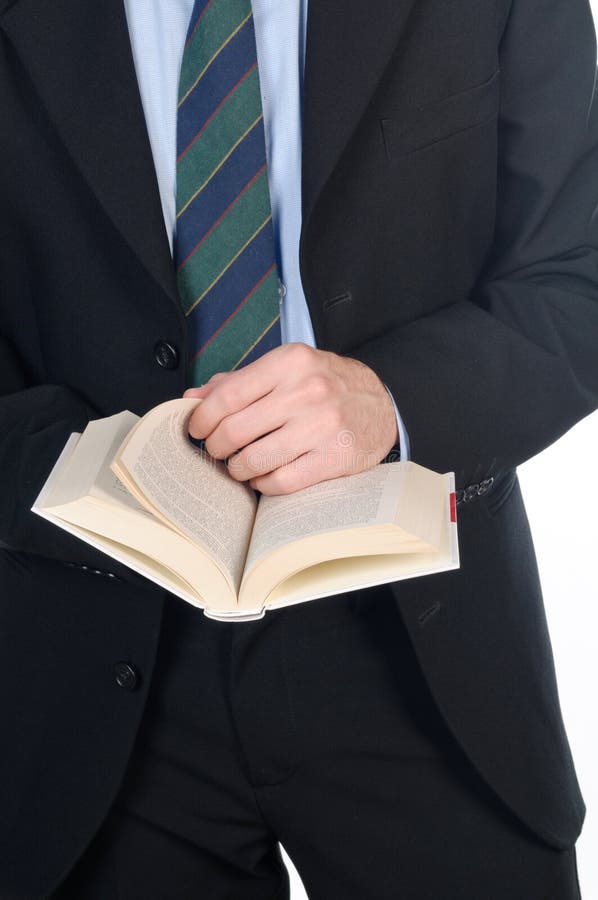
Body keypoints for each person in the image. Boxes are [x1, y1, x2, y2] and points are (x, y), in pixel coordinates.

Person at [0, 0, 597, 897]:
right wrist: (88, 471)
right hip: (86, 682)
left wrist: (392, 399)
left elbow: (577, 273)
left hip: (425, 655)